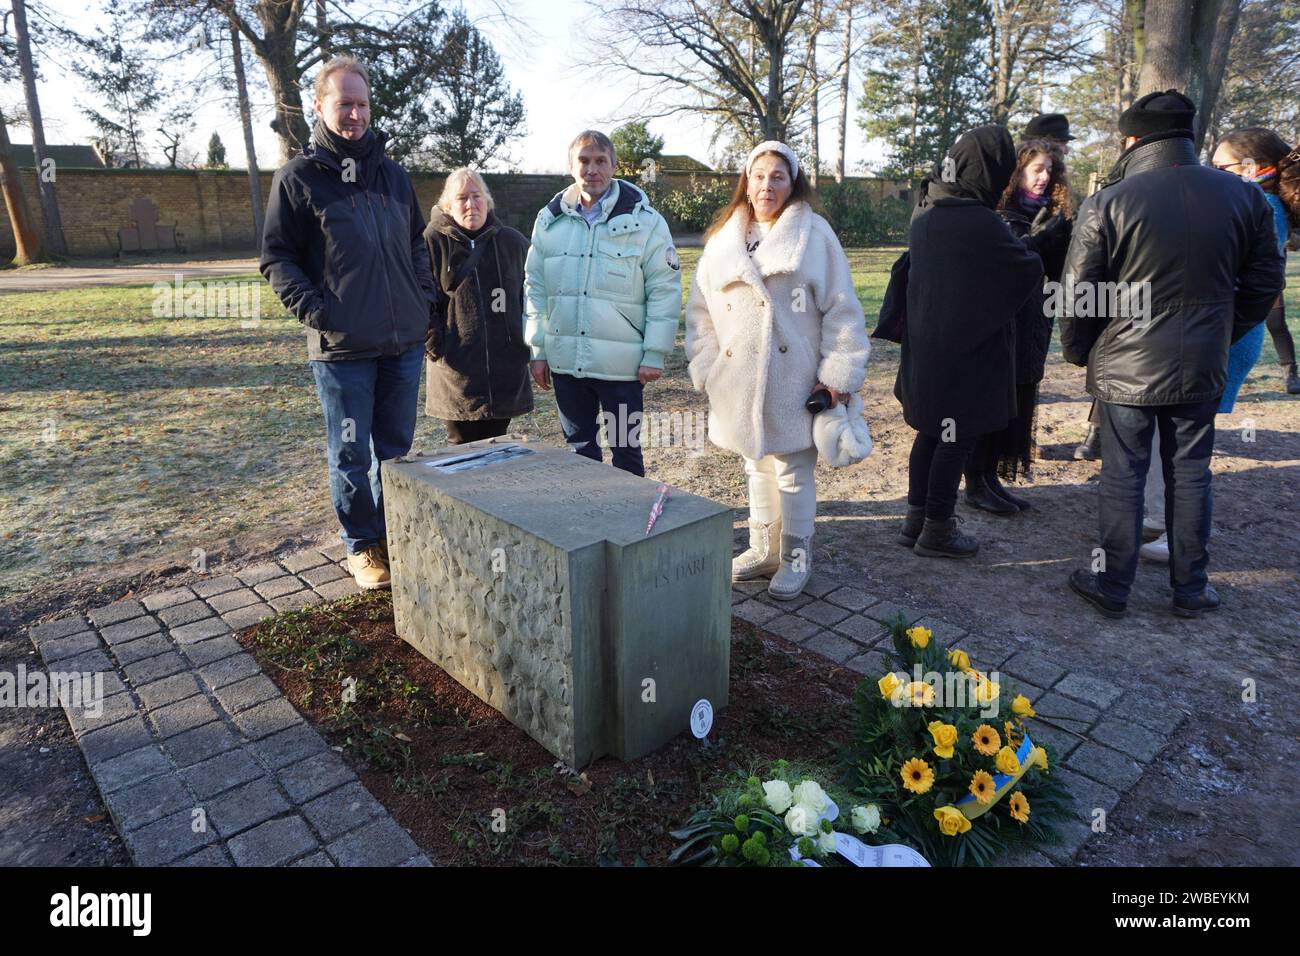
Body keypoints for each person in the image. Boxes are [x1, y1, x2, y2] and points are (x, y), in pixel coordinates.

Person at [1061, 90, 1286, 619]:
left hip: (1125, 364)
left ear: (1133, 140)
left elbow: (1078, 294)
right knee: (1191, 474)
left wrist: (1081, 351)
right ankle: (1191, 588)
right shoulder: (1245, 197)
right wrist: (1220, 333)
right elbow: (1262, 286)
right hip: (1200, 362)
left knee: (1124, 474)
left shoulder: (1110, 201)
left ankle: (1113, 584)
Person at [260, 55, 436, 590]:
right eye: (344, 104)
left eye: (361, 104)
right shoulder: (298, 179)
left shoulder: (394, 175)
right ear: (320, 106)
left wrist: (421, 300)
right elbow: (277, 258)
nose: (354, 114)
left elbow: (416, 244)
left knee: (395, 450)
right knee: (351, 452)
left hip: (402, 343)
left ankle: (396, 533)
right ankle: (362, 545)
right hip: (342, 349)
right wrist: (319, 313)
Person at [685, 141, 871, 599]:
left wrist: (836, 379)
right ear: (746, 183)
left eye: (778, 176)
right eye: (759, 175)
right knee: (756, 466)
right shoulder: (724, 239)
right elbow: (700, 311)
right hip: (738, 383)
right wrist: (709, 366)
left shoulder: (815, 235)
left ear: (793, 184)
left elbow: (843, 311)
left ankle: (795, 557)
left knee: (792, 471)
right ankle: (762, 549)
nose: (767, 185)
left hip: (796, 382)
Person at [1141, 126, 1300, 562]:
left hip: (1224, 337)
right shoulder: (1254, 202)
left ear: (1251, 169)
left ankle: (1181, 540)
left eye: (1221, 166)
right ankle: (1159, 517)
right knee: (1167, 432)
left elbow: (1255, 285)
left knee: (1186, 442)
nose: (1212, 174)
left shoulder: (1259, 205)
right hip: (1217, 333)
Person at [895, 126, 1051, 559]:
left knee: (930, 433)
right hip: (964, 352)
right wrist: (1039, 244)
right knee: (955, 438)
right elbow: (1023, 268)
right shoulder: (977, 219)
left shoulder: (928, 206)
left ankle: (915, 520)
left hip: (927, 346)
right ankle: (938, 531)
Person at [524, 130, 681, 476]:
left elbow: (664, 289)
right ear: (571, 166)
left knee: (626, 452)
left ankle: (633, 526)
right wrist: (538, 350)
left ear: (613, 166)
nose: (591, 169)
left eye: (600, 161)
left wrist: (654, 352)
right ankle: (589, 521)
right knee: (579, 453)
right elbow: (535, 287)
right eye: (584, 161)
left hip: (622, 369)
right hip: (567, 364)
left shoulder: (647, 223)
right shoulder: (549, 223)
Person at [963, 139, 1074, 515]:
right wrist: (1039, 240)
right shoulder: (1000, 214)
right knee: (993, 402)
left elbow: (1059, 275)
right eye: (1036, 169)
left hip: (1036, 320)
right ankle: (976, 480)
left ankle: (992, 478)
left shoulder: (1056, 214)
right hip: (1001, 324)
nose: (1044, 177)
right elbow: (1004, 266)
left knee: (1018, 402)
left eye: (1049, 170)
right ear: (1019, 172)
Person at [424, 167, 533, 443]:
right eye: (462, 198)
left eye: (477, 196)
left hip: (504, 370)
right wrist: (436, 345)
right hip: (455, 371)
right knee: (461, 449)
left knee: (497, 445)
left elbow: (534, 295)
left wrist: (524, 343)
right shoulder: (430, 243)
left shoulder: (512, 242)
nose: (471, 204)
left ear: (488, 201)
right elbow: (416, 299)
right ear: (448, 205)